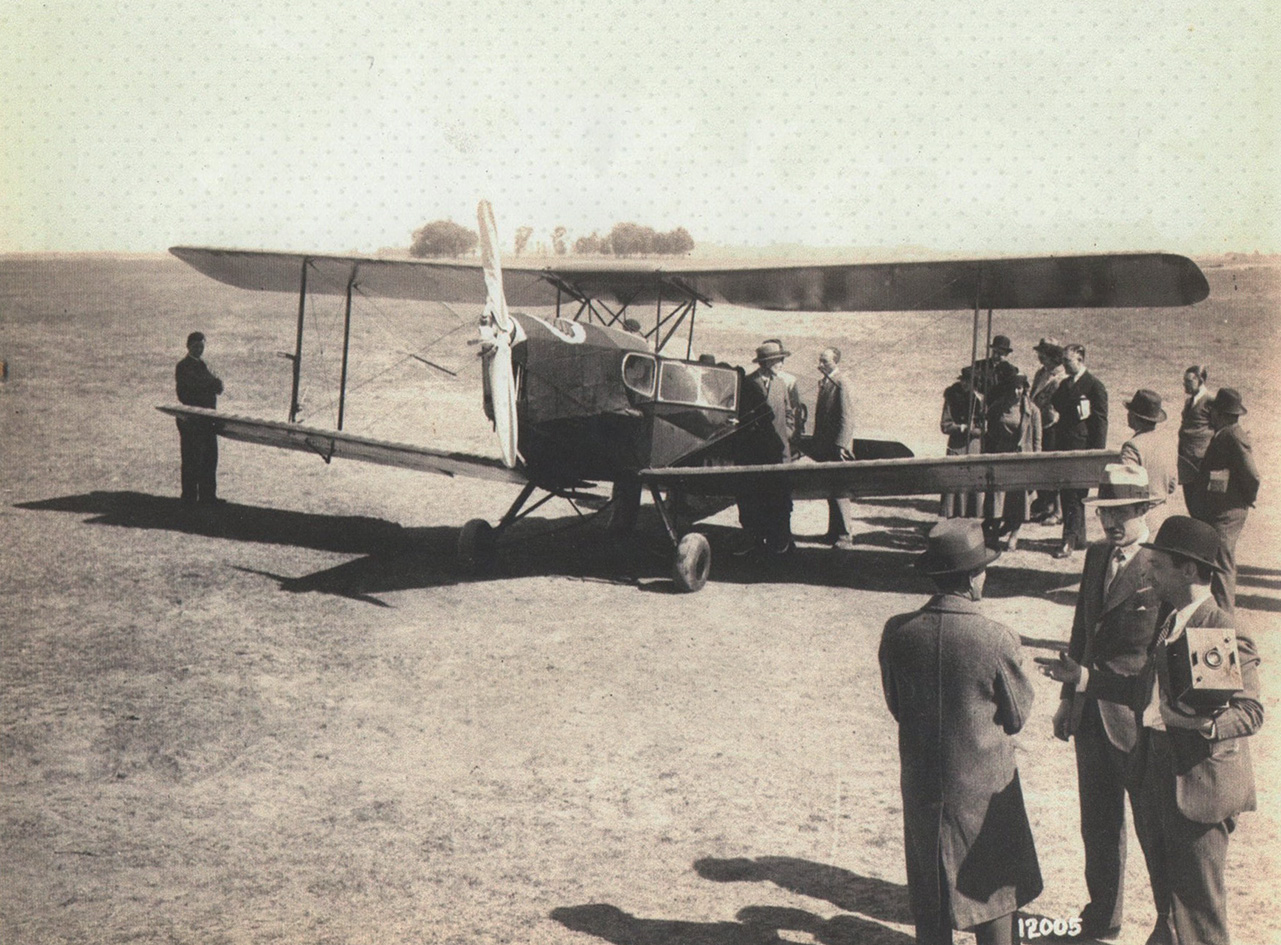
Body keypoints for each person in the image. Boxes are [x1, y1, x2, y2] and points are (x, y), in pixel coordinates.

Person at [1037, 516, 1262, 945]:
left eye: (1158, 566)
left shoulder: (1212, 628)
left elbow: (1247, 711)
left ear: (1190, 571)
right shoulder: (1171, 620)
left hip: (1197, 785)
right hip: (1159, 770)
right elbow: (1143, 690)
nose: (1149, 572)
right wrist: (1082, 678)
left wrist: (1200, 723)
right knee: (1170, 906)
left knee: (1198, 914)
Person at [879, 519, 1042, 945]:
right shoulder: (995, 639)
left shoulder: (898, 632)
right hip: (985, 794)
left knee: (930, 898)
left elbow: (897, 704)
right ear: (974, 579)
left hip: (922, 787)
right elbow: (1017, 716)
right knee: (993, 898)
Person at [1048, 464, 1164, 941]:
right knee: (1097, 824)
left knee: (1152, 829)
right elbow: (1081, 633)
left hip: (1136, 721)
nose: (1111, 523)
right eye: (1103, 514)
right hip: (1091, 715)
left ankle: (1171, 922)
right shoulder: (1097, 556)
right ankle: (1103, 916)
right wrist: (1066, 699)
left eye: (1120, 513)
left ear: (1143, 509)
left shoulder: (1162, 564)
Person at [1187, 388, 1259, 611]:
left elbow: (1252, 476)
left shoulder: (1233, 435)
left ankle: (1224, 619)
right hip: (1221, 510)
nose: (1210, 416)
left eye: (1214, 411)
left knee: (1222, 565)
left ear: (1222, 414)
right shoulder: (1225, 434)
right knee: (1217, 562)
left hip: (1227, 513)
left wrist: (1244, 498)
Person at [735, 340, 799, 555]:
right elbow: (741, 417)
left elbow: (789, 413)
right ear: (767, 362)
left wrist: (787, 433)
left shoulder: (781, 384)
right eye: (778, 360)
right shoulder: (748, 383)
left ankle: (781, 542)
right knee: (753, 499)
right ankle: (753, 541)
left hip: (780, 452)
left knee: (780, 498)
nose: (782, 363)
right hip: (755, 453)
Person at [1050, 344, 1108, 557]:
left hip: (1083, 449)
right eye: (1064, 360)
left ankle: (1068, 540)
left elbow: (1101, 422)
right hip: (1065, 446)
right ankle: (1079, 537)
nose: (1064, 364)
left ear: (1081, 360)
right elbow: (1055, 403)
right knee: (1068, 493)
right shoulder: (1065, 384)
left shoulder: (1094, 386)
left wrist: (1096, 454)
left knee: (1074, 494)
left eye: (1068, 360)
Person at [982, 373, 1041, 550]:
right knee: (997, 498)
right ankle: (992, 533)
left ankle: (1014, 535)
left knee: (1019, 499)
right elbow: (988, 430)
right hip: (1001, 457)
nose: (1017, 392)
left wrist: (1036, 462)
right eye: (1014, 388)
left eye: (1020, 388)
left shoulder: (1032, 411)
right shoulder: (997, 407)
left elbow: (1037, 440)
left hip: (1022, 460)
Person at [810, 346, 856, 548]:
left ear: (836, 362)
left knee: (840, 491)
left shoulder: (841, 383)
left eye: (825, 362)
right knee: (831, 490)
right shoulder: (826, 383)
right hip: (826, 446)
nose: (820, 365)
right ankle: (833, 532)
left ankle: (845, 535)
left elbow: (847, 418)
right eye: (820, 360)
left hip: (837, 447)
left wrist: (841, 445)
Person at [175, 331, 224, 505]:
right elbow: (185, 394)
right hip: (192, 422)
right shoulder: (183, 366)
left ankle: (208, 496)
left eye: (201, 347)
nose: (199, 350)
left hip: (208, 421)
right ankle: (189, 497)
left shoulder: (205, 365)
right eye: (195, 346)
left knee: (210, 460)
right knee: (191, 460)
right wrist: (210, 385)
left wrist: (214, 385)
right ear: (188, 346)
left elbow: (218, 387)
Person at [1119, 389, 1178, 529]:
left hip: (1139, 516)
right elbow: (1172, 485)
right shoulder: (1168, 442)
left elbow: (1126, 487)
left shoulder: (1133, 446)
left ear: (1134, 416)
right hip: (1163, 514)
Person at [1030, 339, 1067, 524]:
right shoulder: (1041, 373)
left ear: (1053, 357)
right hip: (1039, 424)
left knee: (1053, 469)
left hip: (1053, 426)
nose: (1039, 357)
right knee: (1040, 466)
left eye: (1043, 354)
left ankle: (1058, 511)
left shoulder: (1061, 377)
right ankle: (1046, 505)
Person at [939, 366, 983, 518]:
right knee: (954, 483)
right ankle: (951, 518)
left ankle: (972, 519)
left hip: (974, 446)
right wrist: (963, 428)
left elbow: (985, 425)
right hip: (956, 446)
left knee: (972, 482)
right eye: (963, 381)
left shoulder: (980, 400)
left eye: (969, 382)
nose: (965, 384)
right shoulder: (952, 398)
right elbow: (945, 425)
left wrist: (978, 430)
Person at [1177, 366, 1213, 511]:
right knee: (1191, 503)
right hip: (1187, 460)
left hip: (1202, 461)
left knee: (1203, 503)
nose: (1184, 384)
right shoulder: (1189, 402)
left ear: (1201, 380)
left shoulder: (1211, 401)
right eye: (1184, 381)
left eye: (1188, 381)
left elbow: (1219, 429)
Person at [973, 334, 1019, 401]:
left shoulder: (1011, 370)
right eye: (994, 352)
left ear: (1006, 354)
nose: (996, 355)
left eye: (1000, 354)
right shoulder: (979, 365)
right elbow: (972, 386)